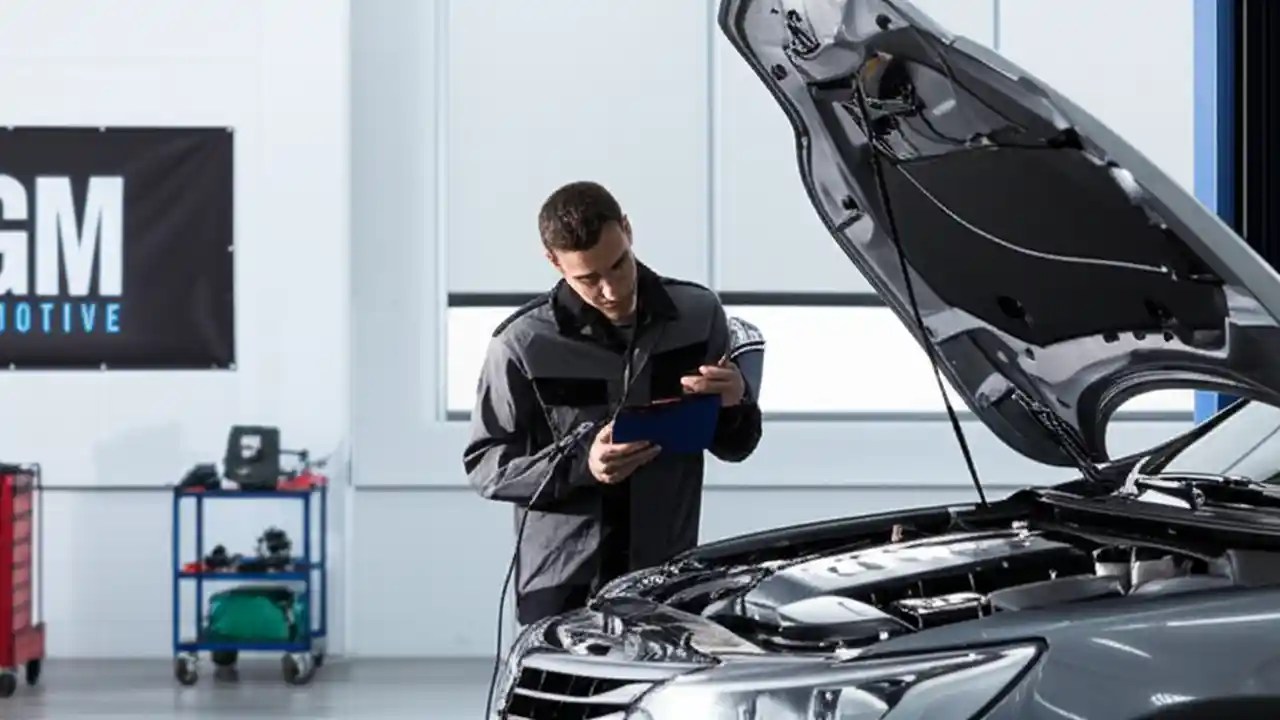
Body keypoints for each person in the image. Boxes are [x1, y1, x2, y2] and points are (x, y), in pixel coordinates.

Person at [464, 180, 763, 626]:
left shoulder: (700, 315)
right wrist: (586, 464)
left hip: (667, 579)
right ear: (553, 262)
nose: (611, 290)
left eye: (618, 265)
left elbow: (736, 446)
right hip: (563, 585)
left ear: (627, 230)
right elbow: (487, 465)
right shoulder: (521, 344)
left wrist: (737, 401)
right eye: (588, 278)